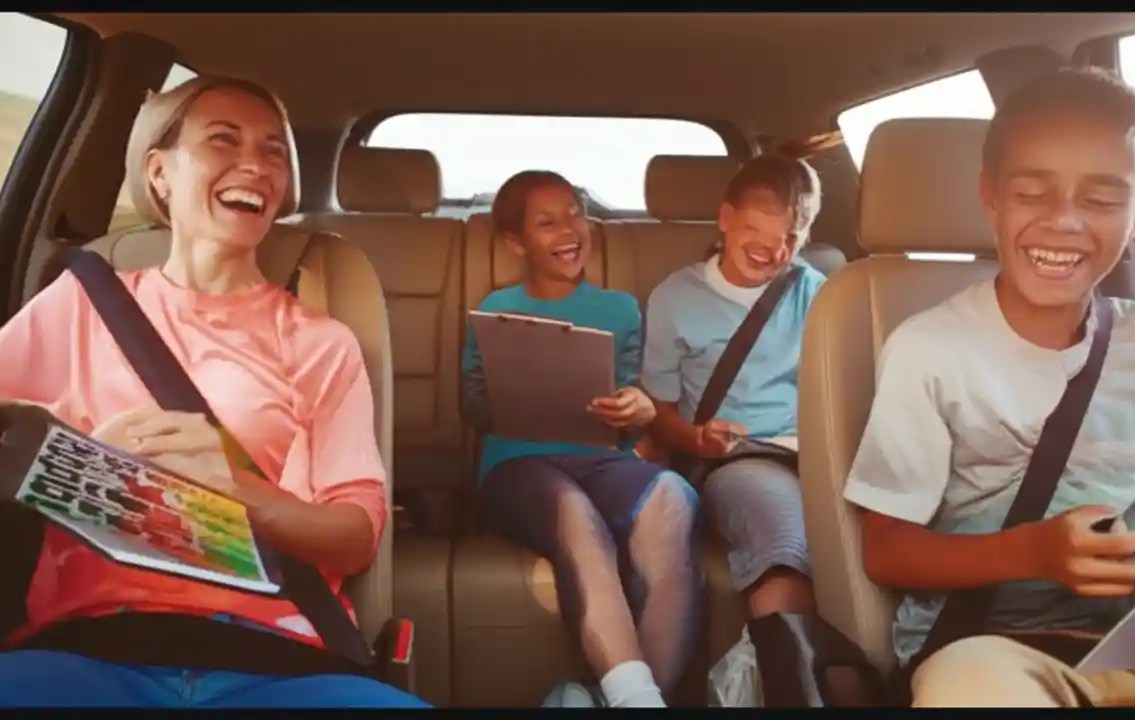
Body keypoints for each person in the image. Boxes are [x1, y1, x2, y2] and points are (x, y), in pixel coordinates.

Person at [843, 66, 1135, 707]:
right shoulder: (929, 349)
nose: (1063, 221)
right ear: (991, 197)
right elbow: (885, 551)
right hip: (980, 648)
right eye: (1032, 192)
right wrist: (1035, 553)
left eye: (1101, 199)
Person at [0, 76, 428, 708]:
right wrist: (79, 454)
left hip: (274, 654)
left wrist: (234, 485)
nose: (254, 164)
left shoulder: (319, 340)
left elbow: (356, 534)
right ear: (160, 172)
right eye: (223, 141)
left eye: (274, 151)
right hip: (91, 644)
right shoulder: (80, 304)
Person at [461, 170, 702, 708]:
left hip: (601, 459)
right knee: (573, 511)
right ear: (516, 243)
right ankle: (634, 698)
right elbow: (475, 408)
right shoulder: (496, 309)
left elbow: (638, 402)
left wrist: (639, 408)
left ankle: (629, 700)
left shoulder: (619, 309)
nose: (569, 229)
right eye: (547, 222)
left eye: (574, 213)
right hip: (518, 465)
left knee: (671, 497)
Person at [642, 150, 828, 623]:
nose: (774, 250)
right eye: (756, 232)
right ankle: (794, 675)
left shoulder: (819, 293)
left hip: (820, 458)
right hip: (738, 459)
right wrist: (697, 439)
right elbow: (659, 415)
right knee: (784, 533)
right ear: (725, 220)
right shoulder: (676, 298)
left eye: (791, 237)